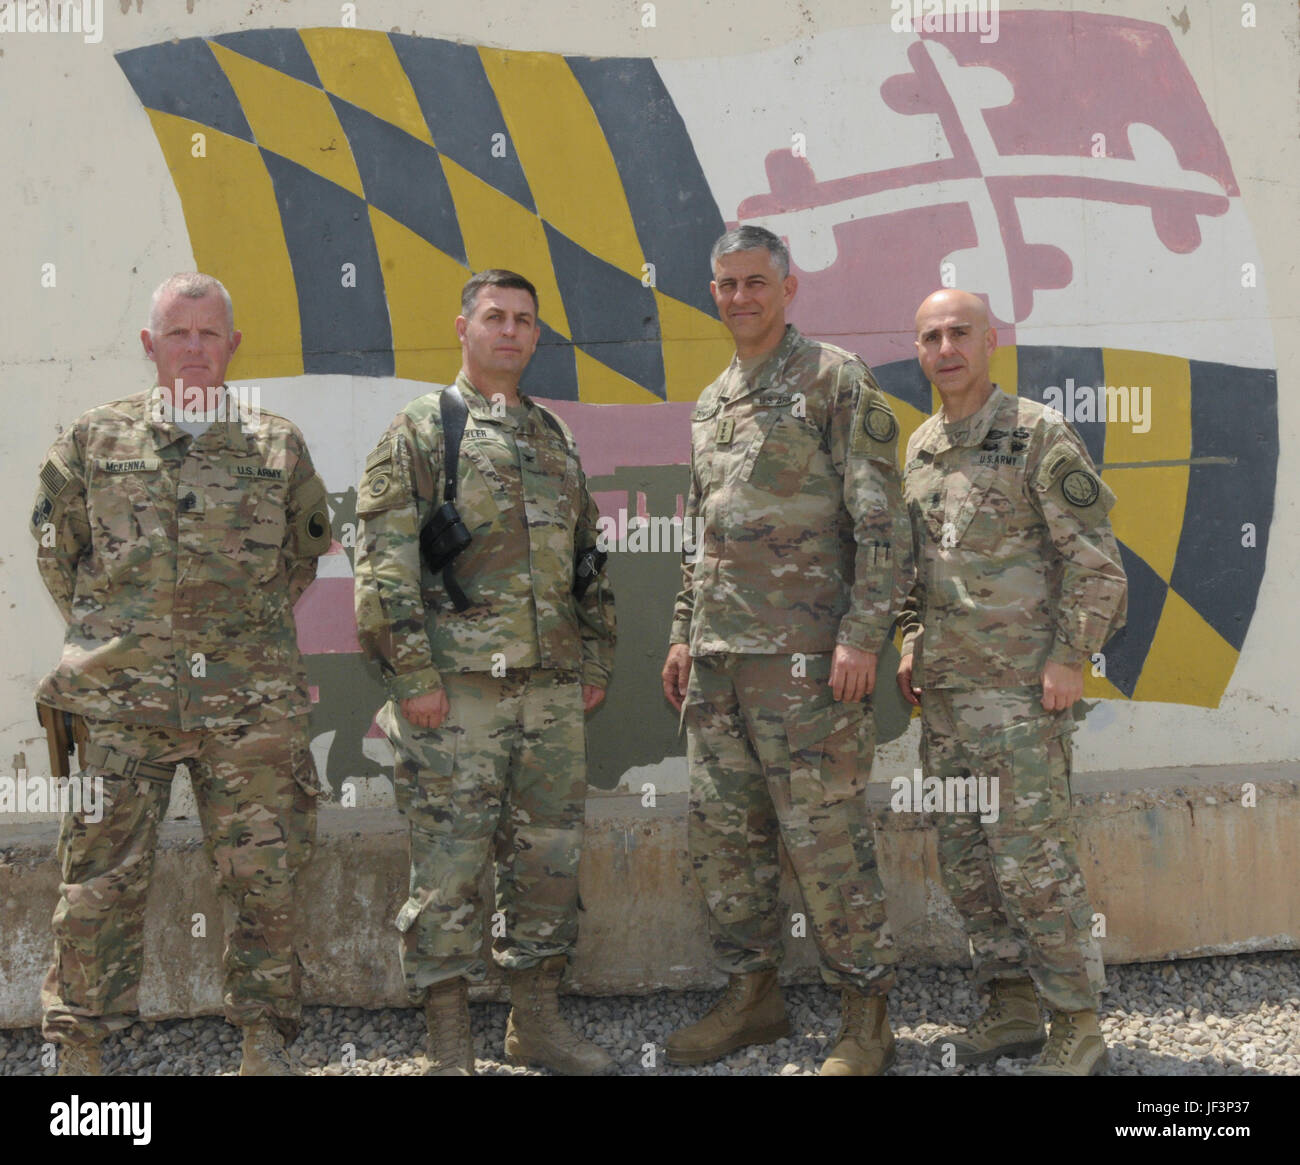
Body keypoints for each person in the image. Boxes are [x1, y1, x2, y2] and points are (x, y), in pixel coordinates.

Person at [31, 272, 332, 1076]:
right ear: (149, 344)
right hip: (122, 706)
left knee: (263, 877)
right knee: (97, 881)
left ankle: (264, 1040)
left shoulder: (277, 445)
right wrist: (124, 639)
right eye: (178, 333)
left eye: (208, 335)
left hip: (248, 705)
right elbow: (59, 553)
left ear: (232, 346)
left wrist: (241, 641)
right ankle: (82, 1049)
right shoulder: (95, 441)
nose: (193, 349)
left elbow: (302, 558)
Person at [661, 226, 911, 1076]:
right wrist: (682, 635)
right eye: (725, 283)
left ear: (788, 288)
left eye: (754, 282)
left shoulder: (836, 380)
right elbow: (704, 534)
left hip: (808, 663)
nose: (739, 297)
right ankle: (752, 995)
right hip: (721, 661)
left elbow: (882, 521)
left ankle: (866, 1014)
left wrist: (862, 635)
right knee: (725, 838)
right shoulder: (713, 400)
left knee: (826, 838)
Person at [354, 269, 616, 1076]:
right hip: (456, 692)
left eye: (525, 321)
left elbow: (586, 559)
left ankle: (533, 1023)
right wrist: (413, 678)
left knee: (546, 858)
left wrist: (595, 658)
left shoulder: (552, 435)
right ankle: (448, 1044)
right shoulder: (425, 429)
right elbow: (384, 566)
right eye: (495, 317)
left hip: (550, 689)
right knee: (450, 866)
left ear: (537, 338)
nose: (510, 331)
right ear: (462, 328)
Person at [897, 288, 1128, 1076]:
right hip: (948, 702)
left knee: (1035, 864)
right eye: (931, 336)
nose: (945, 346)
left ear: (992, 339)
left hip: (1023, 702)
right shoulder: (922, 447)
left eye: (960, 331)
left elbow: (1097, 562)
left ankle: (1077, 1020)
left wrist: (1071, 656)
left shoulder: (1037, 434)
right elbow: (922, 572)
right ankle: (1012, 1004)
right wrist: (909, 639)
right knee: (967, 862)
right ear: (919, 351)